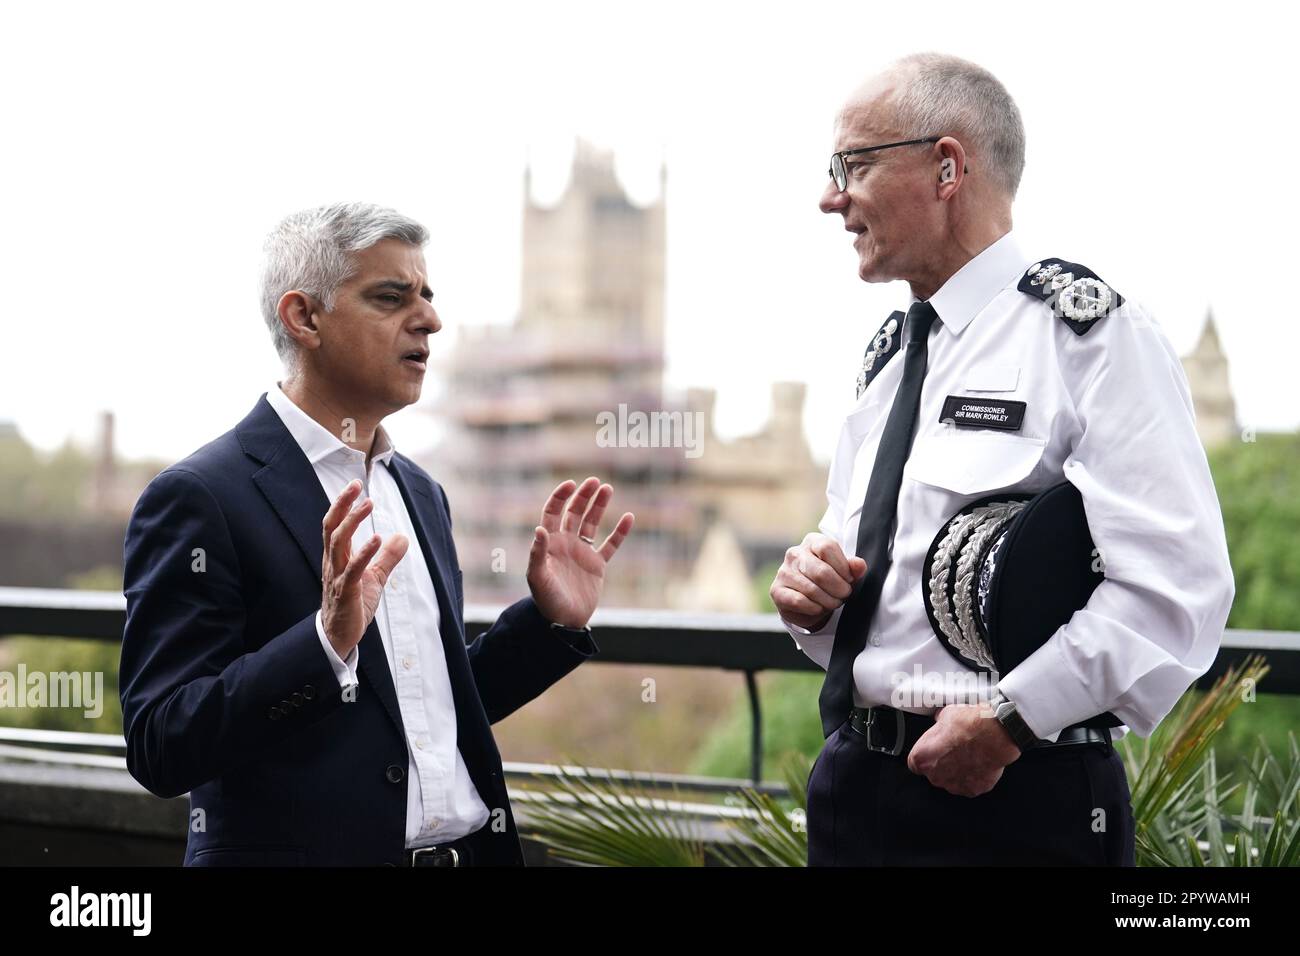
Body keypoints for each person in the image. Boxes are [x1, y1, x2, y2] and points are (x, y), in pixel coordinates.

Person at [770, 53, 1234, 866]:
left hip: (1015, 802)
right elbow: (875, 580)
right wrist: (811, 590)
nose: (830, 197)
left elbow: (1180, 587)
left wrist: (1012, 720)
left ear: (947, 167)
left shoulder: (1089, 337)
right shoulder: (888, 359)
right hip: (855, 790)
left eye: (854, 165)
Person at [120, 202, 634, 866]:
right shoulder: (199, 498)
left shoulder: (421, 493)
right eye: (392, 297)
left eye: (427, 295)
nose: (430, 319)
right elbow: (161, 744)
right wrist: (321, 644)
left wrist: (546, 624)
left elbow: (425, 712)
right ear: (304, 318)